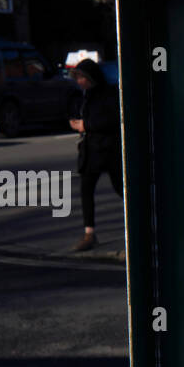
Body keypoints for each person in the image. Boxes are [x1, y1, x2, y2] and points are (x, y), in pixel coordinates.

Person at [68, 58, 121, 252]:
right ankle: (89, 233)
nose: (79, 81)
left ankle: (141, 221)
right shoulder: (86, 95)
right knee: (86, 189)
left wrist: (85, 125)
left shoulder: (108, 94)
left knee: (121, 188)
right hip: (91, 150)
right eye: (77, 77)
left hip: (108, 150)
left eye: (82, 77)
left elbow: (111, 120)